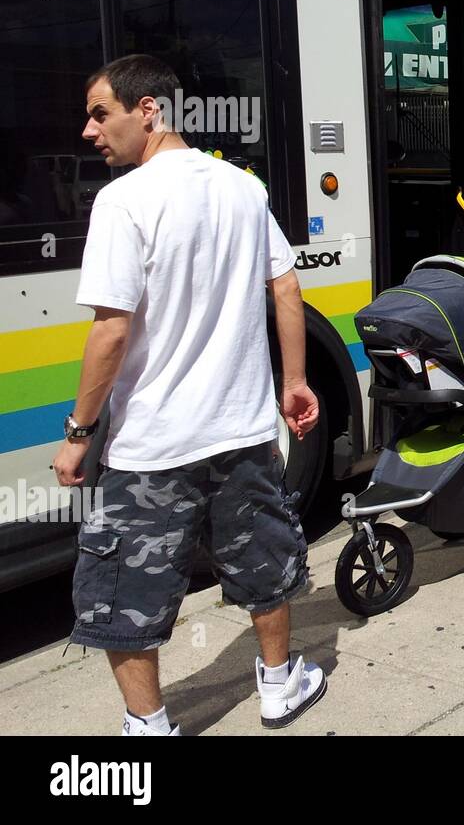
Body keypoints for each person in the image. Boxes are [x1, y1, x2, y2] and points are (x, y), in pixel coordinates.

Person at [54, 54, 325, 735]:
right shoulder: (242, 186)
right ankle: (277, 686)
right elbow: (286, 286)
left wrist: (80, 432)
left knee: (123, 591)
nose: (89, 131)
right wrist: (293, 383)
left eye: (99, 113)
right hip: (241, 432)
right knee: (265, 562)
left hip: (153, 446)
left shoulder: (123, 201)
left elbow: (112, 331)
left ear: (149, 110)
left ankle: (148, 726)